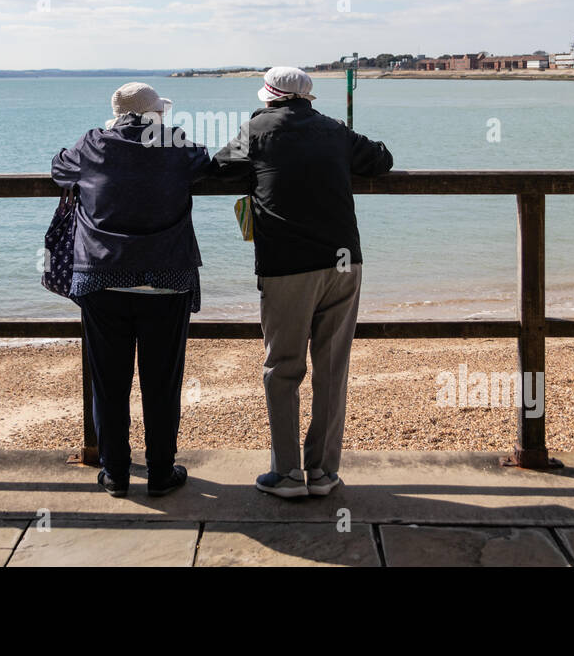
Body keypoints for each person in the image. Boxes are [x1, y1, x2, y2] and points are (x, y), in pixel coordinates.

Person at [211, 67, 393, 498]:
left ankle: (287, 474)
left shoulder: (257, 128)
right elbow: (382, 160)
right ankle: (324, 473)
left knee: (283, 367)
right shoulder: (333, 129)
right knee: (332, 368)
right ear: (308, 99)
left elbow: (218, 167)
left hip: (286, 265)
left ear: (270, 97)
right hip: (343, 260)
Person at [51, 83, 210, 498]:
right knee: (162, 382)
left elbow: (59, 168)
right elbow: (203, 162)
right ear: (157, 113)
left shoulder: (92, 144)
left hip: (102, 277)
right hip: (167, 278)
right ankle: (160, 472)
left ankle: (115, 473)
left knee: (109, 381)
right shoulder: (175, 144)